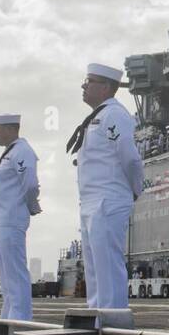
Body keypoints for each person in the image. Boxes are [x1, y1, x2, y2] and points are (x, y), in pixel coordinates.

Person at [70, 62, 144, 312]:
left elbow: (130, 157)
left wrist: (135, 189)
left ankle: (113, 323)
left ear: (105, 87)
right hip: (91, 202)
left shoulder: (114, 115)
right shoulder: (97, 117)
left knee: (108, 269)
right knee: (94, 272)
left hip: (107, 200)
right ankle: (97, 321)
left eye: (89, 81)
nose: (84, 85)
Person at [0, 113, 41, 321]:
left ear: (11, 129)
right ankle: (8, 321)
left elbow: (29, 184)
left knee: (16, 277)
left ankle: (20, 322)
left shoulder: (22, 151)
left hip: (11, 220)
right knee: (8, 280)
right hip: (0, 222)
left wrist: (32, 206)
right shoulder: (9, 153)